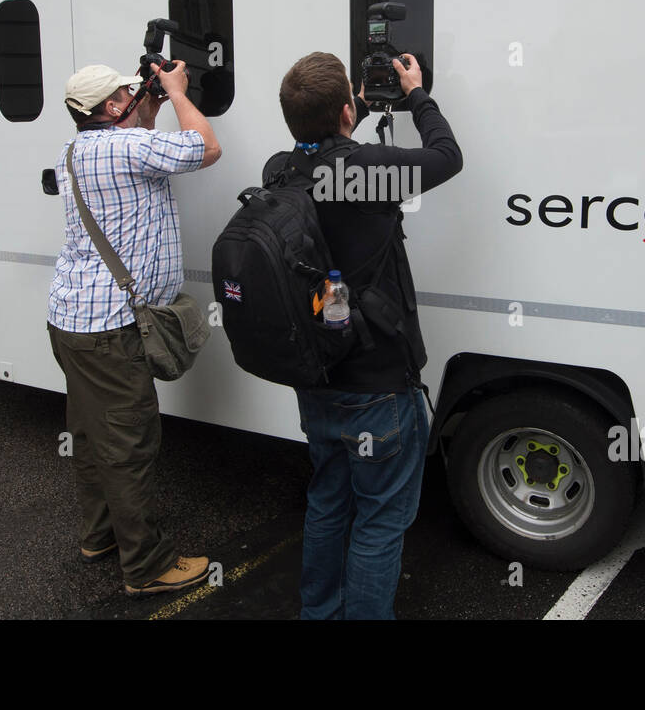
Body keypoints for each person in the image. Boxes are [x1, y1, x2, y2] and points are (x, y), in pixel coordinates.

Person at [263, 51, 462, 619]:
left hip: (317, 371)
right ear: (348, 109)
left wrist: (350, 133)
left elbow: (325, 175)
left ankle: (318, 613)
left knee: (328, 501)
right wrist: (416, 92)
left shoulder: (277, 170)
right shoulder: (365, 171)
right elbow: (447, 156)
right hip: (375, 378)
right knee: (379, 520)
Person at [47, 61, 221, 596]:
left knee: (91, 434)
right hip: (110, 330)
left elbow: (137, 141)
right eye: (126, 91)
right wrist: (175, 91)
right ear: (111, 107)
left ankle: (100, 536)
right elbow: (205, 147)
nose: (133, 93)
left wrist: (148, 106)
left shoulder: (75, 151)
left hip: (71, 321)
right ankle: (146, 566)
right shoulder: (126, 150)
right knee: (128, 442)